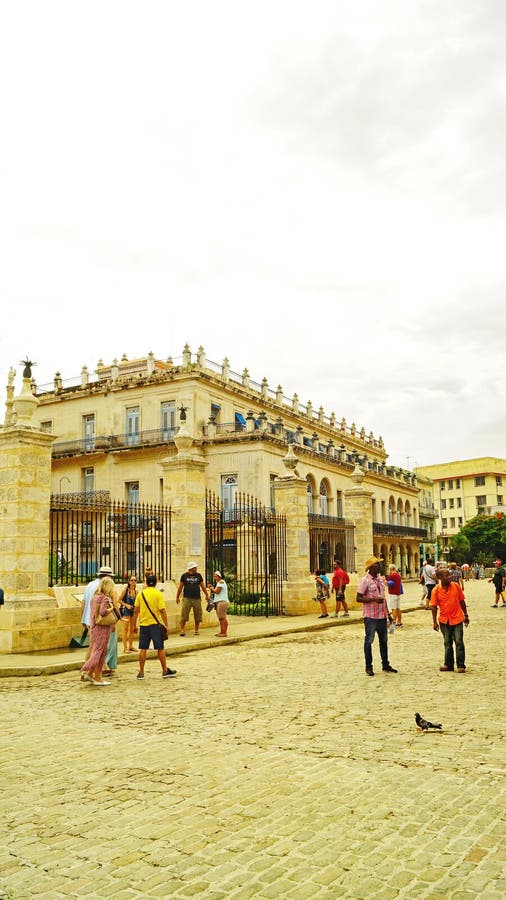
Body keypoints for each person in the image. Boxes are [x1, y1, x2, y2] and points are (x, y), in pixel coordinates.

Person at [356, 557, 397, 676]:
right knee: (369, 641)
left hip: (382, 615)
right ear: (372, 567)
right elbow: (358, 598)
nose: (380, 566)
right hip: (371, 616)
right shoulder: (365, 581)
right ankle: (368, 666)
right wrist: (373, 599)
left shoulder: (380, 579)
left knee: (384, 641)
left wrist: (388, 614)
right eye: (378, 564)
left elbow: (383, 598)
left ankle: (385, 664)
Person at [131, 572, 176, 679]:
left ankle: (141, 672)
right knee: (160, 648)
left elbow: (135, 611)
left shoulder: (140, 594)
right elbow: (162, 611)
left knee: (143, 649)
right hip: (155, 625)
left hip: (144, 624)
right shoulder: (158, 594)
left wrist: (134, 625)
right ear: (155, 583)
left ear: (146, 582)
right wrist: (166, 625)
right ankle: (164, 670)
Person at [80, 576, 118, 685]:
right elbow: (102, 612)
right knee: (100, 652)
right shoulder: (105, 598)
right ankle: (96, 676)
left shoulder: (95, 596)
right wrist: (111, 608)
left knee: (96, 650)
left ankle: (90, 674)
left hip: (94, 627)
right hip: (102, 629)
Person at [430, 568, 469, 672]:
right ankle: (448, 665)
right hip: (444, 620)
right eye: (447, 576)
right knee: (447, 643)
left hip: (457, 618)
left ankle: (461, 665)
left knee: (459, 641)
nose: (450, 577)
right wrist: (434, 622)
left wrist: (466, 615)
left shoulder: (456, 586)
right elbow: (433, 606)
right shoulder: (436, 590)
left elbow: (462, 601)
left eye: (449, 575)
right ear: (440, 578)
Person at [176, 562, 209, 636]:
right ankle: (182, 630)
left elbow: (203, 586)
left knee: (198, 614)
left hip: (197, 598)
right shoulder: (184, 576)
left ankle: (196, 630)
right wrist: (177, 597)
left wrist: (207, 595)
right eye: (195, 567)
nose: (196, 568)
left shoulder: (198, 576)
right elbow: (180, 587)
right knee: (184, 614)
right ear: (191, 568)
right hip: (187, 598)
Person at [208, 570, 230, 636]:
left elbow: (217, 591)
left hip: (222, 602)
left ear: (219, 576)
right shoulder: (219, 583)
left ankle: (224, 632)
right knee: (221, 618)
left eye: (215, 576)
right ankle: (222, 632)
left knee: (222, 617)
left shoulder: (221, 582)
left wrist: (211, 588)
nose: (214, 577)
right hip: (220, 602)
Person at [118, 575, 137, 652]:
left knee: (132, 629)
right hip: (126, 611)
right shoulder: (125, 591)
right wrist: (126, 605)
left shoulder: (136, 592)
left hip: (133, 611)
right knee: (125, 629)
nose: (133, 582)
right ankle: (125, 647)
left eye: (135, 580)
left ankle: (131, 646)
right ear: (129, 581)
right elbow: (119, 600)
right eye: (132, 580)